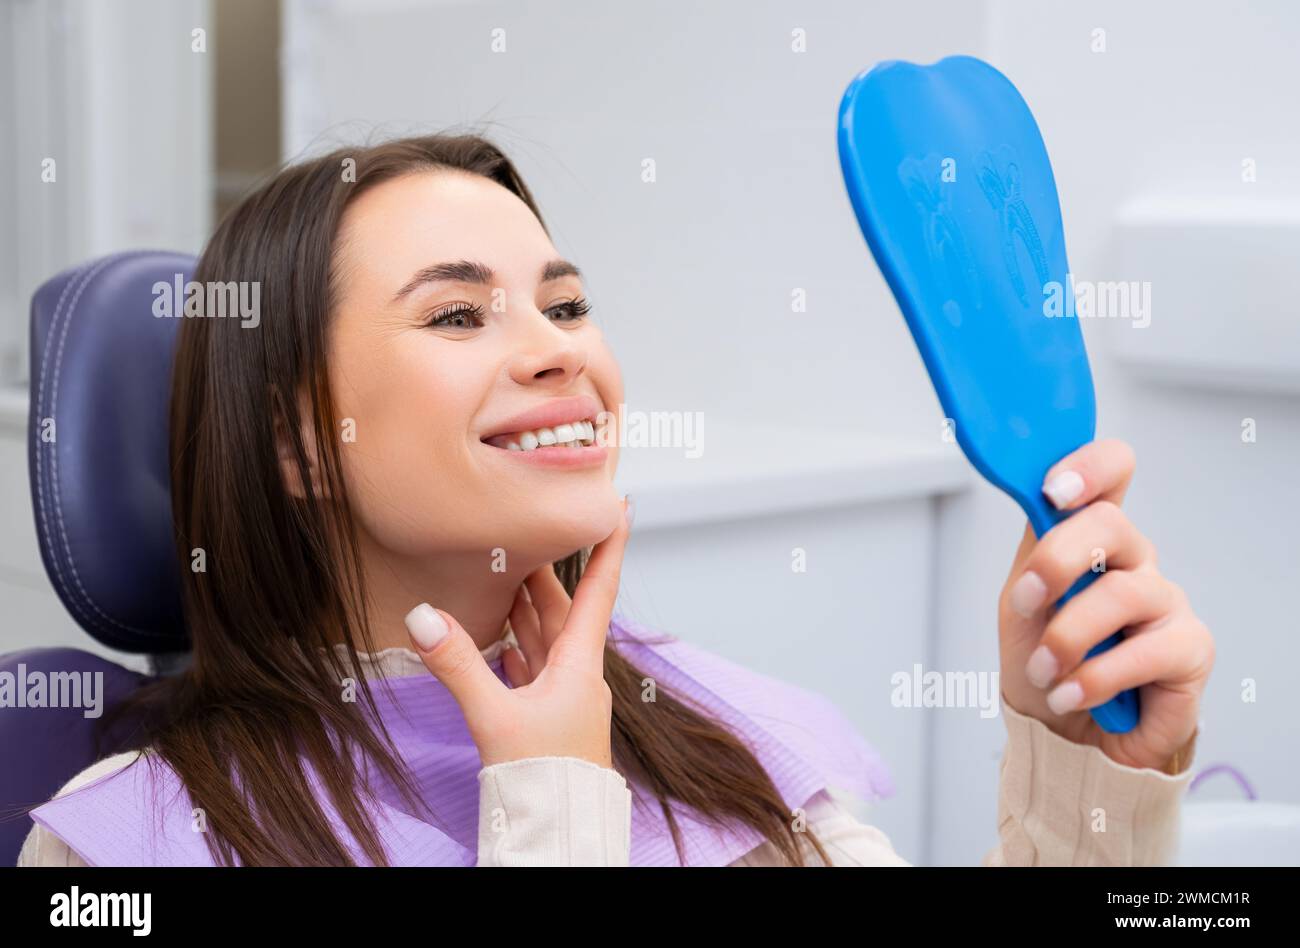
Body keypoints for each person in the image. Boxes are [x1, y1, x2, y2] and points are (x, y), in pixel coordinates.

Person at [19, 134, 1213, 867]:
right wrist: (554, 807)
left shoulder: (717, 732)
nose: (559, 353)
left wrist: (1083, 776)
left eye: (567, 303)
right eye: (455, 312)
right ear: (297, 443)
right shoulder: (128, 841)